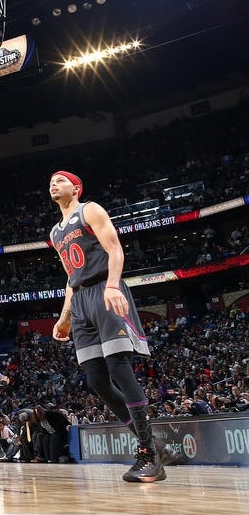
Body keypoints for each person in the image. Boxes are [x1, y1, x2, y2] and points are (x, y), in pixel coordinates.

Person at [48, 170, 166, 483]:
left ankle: (148, 453)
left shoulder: (90, 209)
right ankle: (149, 441)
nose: (53, 184)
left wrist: (113, 286)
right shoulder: (55, 231)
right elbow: (70, 277)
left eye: (59, 180)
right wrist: (65, 315)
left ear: (75, 188)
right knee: (97, 380)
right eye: (50, 182)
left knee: (119, 368)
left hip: (105, 290)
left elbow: (114, 248)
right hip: (81, 300)